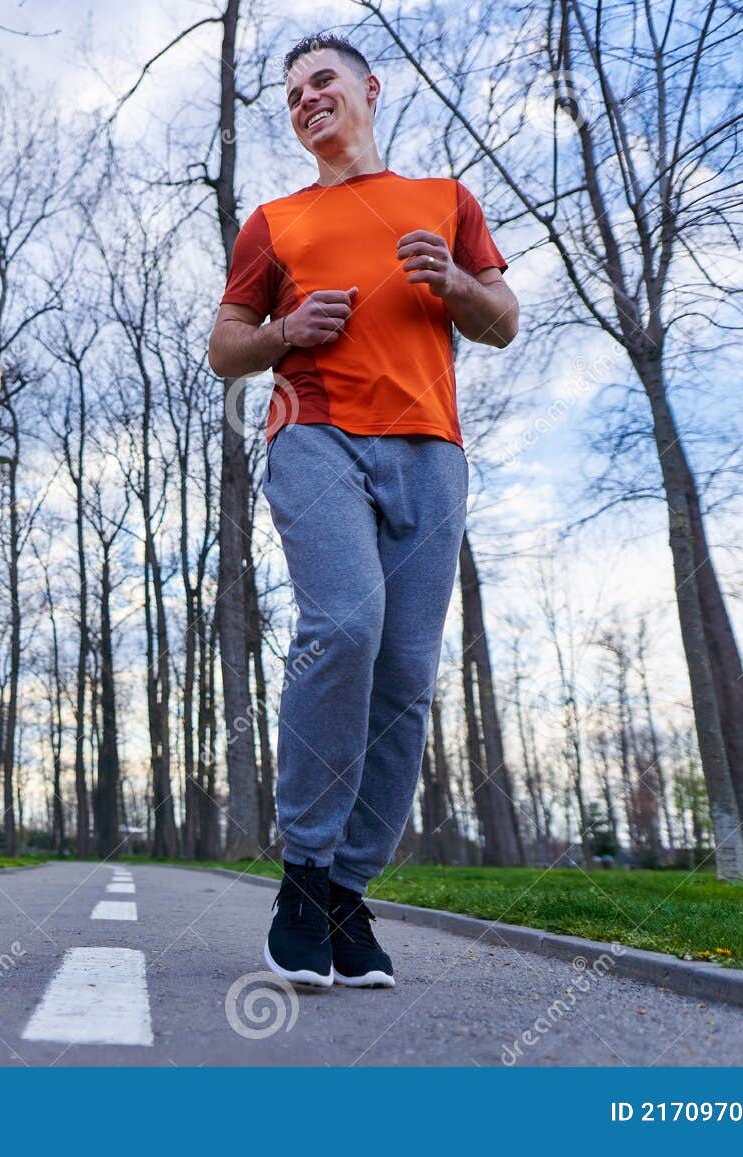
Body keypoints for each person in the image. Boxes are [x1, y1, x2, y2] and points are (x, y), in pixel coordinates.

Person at [207, 34, 518, 988]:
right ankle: (302, 874)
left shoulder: (445, 199)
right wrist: (284, 331)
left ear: (369, 90)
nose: (306, 100)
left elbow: (502, 317)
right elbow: (225, 347)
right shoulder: (273, 220)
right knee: (344, 626)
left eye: (322, 82)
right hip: (316, 433)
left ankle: (347, 889)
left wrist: (457, 283)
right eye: (292, 93)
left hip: (432, 449)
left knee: (408, 676)